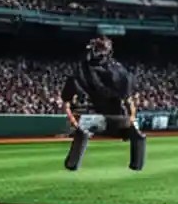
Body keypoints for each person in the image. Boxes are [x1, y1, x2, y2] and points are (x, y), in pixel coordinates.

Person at [61, 36, 145, 171]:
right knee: (136, 133)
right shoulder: (120, 70)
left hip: (96, 120)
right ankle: (137, 164)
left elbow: (66, 102)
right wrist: (131, 120)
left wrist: (74, 122)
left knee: (84, 125)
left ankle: (72, 163)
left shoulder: (82, 70)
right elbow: (129, 101)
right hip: (116, 119)